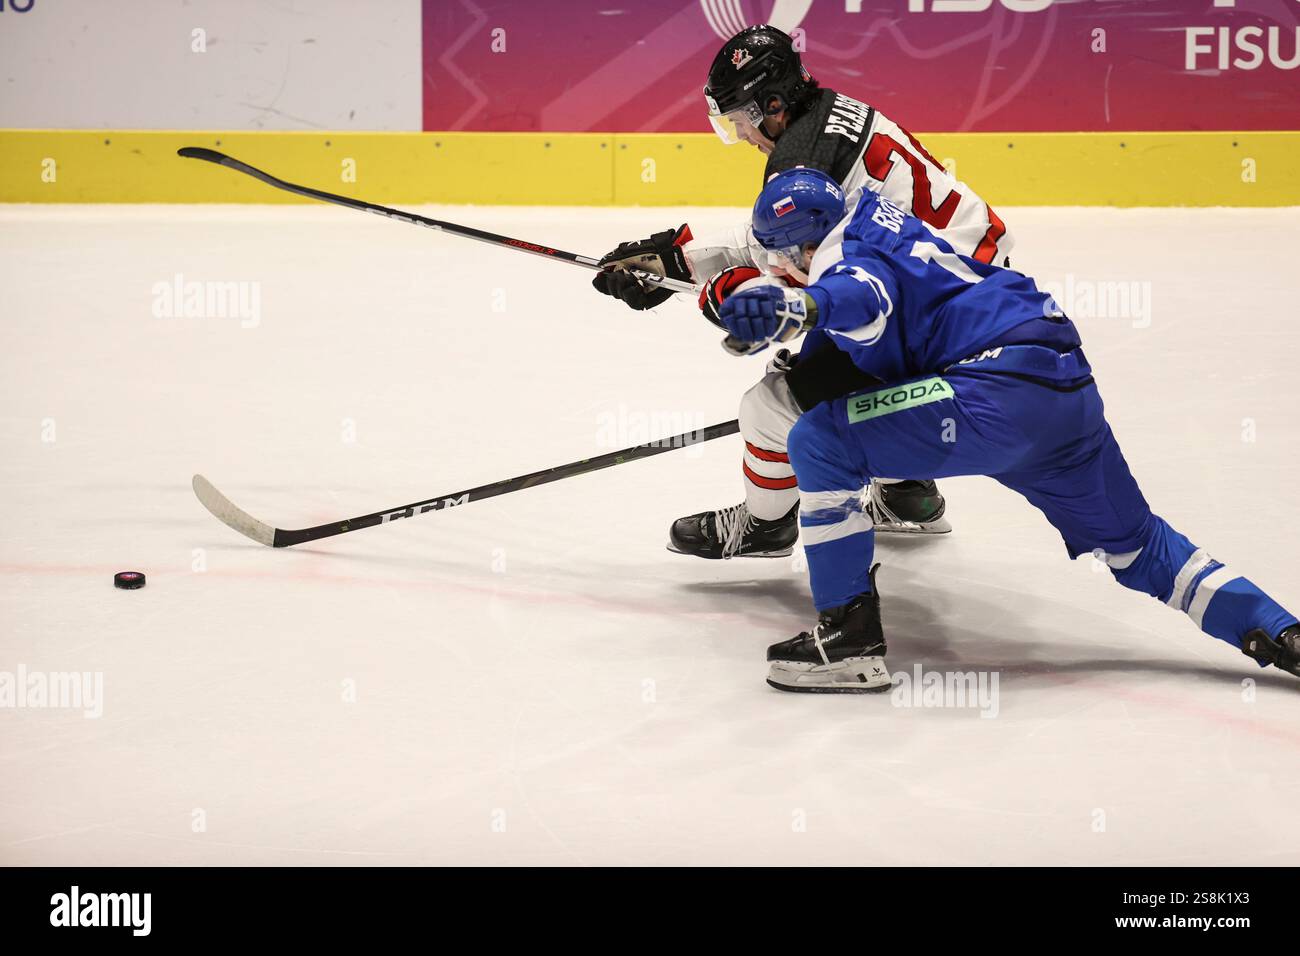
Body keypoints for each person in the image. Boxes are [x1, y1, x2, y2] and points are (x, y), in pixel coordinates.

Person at [714, 166, 1299, 693]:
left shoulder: (843, 258)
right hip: (1062, 387)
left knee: (819, 441)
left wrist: (802, 309)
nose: (777, 271)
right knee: (1139, 547)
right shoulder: (873, 216)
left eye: (777, 258)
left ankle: (847, 642)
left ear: (801, 246)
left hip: (991, 391)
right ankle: (1279, 629)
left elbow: (859, 296)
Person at [594, 25, 1012, 558]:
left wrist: (722, 291)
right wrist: (677, 258)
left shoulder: (801, 164)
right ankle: (908, 496)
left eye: (742, 119)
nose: (743, 135)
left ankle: (765, 527)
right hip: (984, 292)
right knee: (851, 368)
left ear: (772, 102)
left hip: (940, 325)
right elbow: (788, 243)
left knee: (771, 405)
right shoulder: (830, 112)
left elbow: (798, 295)